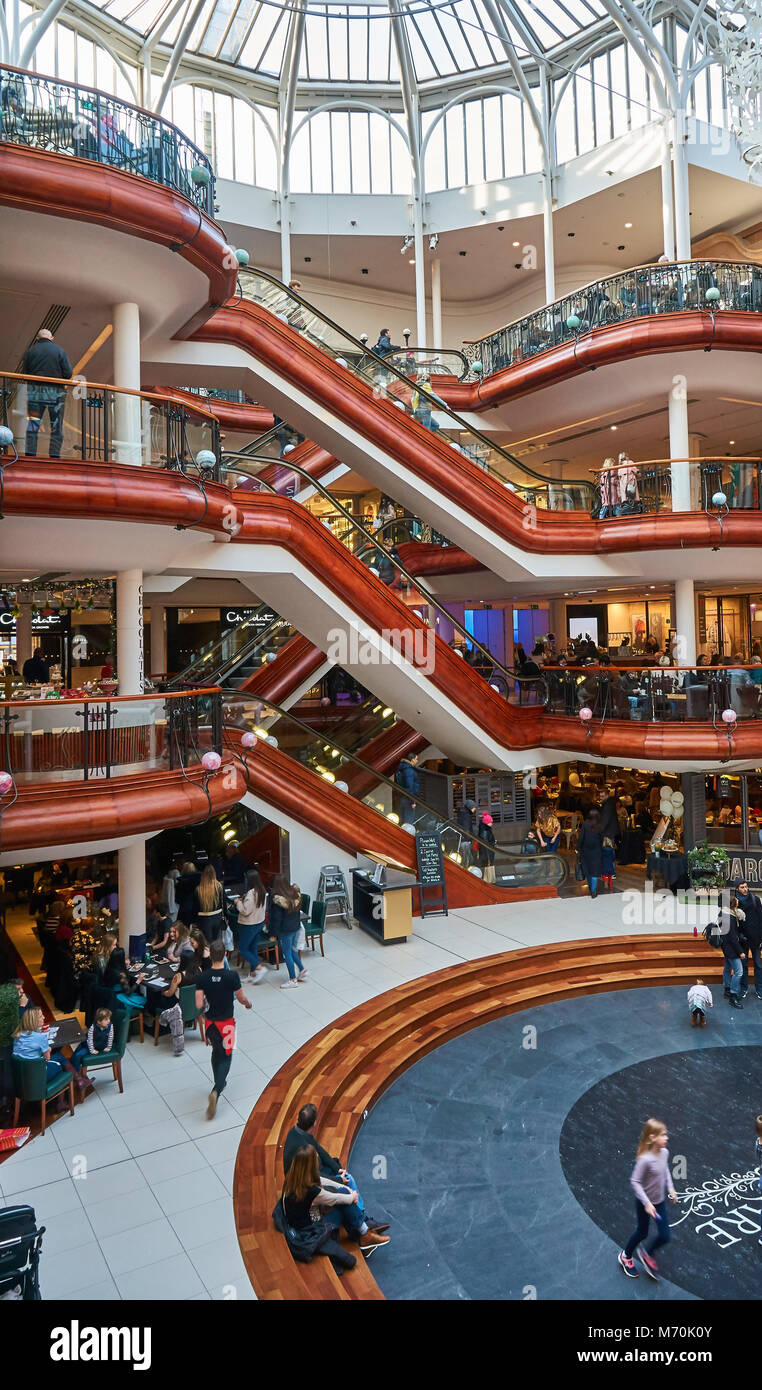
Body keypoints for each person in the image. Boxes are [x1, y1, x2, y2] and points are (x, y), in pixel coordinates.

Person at [283, 1101, 389, 1234]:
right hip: (308, 1179)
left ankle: (361, 1219)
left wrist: (336, 1169)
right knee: (347, 1183)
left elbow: (319, 1150)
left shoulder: (298, 1132)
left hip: (312, 1173)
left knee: (342, 1177)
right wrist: (340, 1181)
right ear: (315, 1123)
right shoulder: (301, 1150)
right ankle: (362, 1221)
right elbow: (315, 1177)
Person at [282, 1147, 389, 1258]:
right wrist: (352, 1195)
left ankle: (364, 1236)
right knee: (344, 1205)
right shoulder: (310, 1191)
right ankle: (365, 1234)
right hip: (311, 1230)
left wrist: (346, 1188)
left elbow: (322, 1180)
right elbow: (334, 1198)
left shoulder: (293, 1178)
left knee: (343, 1194)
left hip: (302, 1222)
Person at [195, 939, 252, 1118]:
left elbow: (198, 1004)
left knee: (215, 1052)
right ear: (225, 955)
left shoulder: (202, 977)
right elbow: (241, 998)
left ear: (210, 956)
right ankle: (217, 1090)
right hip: (226, 1023)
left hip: (210, 1024)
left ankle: (218, 1083)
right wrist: (248, 1004)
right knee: (227, 1056)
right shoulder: (232, 976)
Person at [618, 1118, 678, 1280]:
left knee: (665, 1236)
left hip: (659, 1202)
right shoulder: (645, 1160)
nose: (667, 1138)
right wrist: (646, 1203)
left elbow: (665, 1170)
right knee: (642, 1232)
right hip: (645, 1204)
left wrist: (670, 1187)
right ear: (652, 1138)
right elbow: (635, 1182)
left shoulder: (665, 1153)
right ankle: (625, 1255)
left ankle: (646, 1254)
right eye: (663, 1135)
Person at [21, 328, 72, 459]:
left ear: (37, 338)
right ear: (52, 338)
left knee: (33, 424)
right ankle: (54, 455)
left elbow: (24, 374)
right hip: (56, 394)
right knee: (56, 425)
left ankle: (30, 455)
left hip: (35, 394)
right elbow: (68, 374)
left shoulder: (30, 351)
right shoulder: (59, 351)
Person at [269, 875, 307, 989]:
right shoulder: (295, 894)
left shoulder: (278, 900)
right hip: (295, 927)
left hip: (285, 930)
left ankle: (292, 979)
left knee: (287, 954)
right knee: (291, 949)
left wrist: (273, 934)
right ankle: (302, 969)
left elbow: (276, 919)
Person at [234, 869, 268, 983]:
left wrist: (237, 902)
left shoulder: (251, 893)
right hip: (259, 922)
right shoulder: (262, 890)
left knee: (243, 948)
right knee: (253, 948)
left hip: (250, 924)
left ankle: (259, 967)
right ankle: (253, 974)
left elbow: (245, 910)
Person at [734, 880, 762, 1000]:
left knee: (758, 965)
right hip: (743, 939)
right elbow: (733, 922)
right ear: (737, 889)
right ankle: (744, 988)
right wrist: (739, 935)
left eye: (746, 887)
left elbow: (761, 919)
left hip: (756, 939)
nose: (745, 889)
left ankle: (759, 989)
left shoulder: (755, 900)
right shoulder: (735, 902)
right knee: (743, 966)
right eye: (742, 887)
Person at [719, 898, 746, 1008]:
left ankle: (727, 989)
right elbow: (732, 937)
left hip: (726, 947)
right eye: (737, 903)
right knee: (739, 972)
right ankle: (733, 995)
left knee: (727, 968)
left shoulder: (723, 914)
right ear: (734, 906)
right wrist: (740, 952)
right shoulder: (730, 918)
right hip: (732, 949)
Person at [576, 807, 603, 898]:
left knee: (587, 871)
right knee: (595, 871)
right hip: (597, 850)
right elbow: (602, 839)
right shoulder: (600, 825)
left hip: (586, 850)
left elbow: (581, 837)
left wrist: (578, 847)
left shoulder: (585, 824)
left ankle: (591, 887)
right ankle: (593, 890)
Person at [194, 864, 225, 942]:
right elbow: (223, 902)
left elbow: (195, 907)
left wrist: (195, 920)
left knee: (206, 943)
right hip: (217, 917)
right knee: (217, 942)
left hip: (203, 919)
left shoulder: (199, 889)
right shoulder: (219, 886)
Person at [394, 752, 420, 825]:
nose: (417, 761)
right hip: (408, 799)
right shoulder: (409, 770)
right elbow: (410, 786)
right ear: (412, 760)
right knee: (408, 821)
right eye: (416, 759)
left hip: (402, 797)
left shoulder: (402, 768)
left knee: (402, 819)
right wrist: (412, 801)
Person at [176, 861, 200, 927]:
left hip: (185, 908)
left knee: (183, 928)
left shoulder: (180, 883)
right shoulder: (199, 880)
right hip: (197, 908)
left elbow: (177, 899)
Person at [477, 812, 496, 884]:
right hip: (488, 852)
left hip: (487, 851)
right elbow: (486, 843)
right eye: (490, 822)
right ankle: (489, 880)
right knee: (488, 865)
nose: (492, 823)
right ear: (486, 823)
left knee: (488, 865)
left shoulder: (485, 829)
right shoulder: (485, 831)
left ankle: (489, 879)